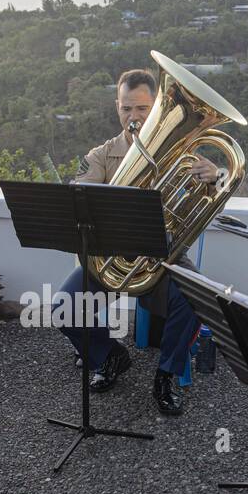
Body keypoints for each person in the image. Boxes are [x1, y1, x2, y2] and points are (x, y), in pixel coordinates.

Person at [57, 68, 217, 415]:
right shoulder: (100, 155)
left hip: (159, 258)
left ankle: (167, 375)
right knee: (63, 307)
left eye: (142, 109)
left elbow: (193, 210)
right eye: (127, 108)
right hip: (111, 260)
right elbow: (79, 199)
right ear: (117, 108)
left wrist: (210, 181)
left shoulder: (181, 153)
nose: (134, 117)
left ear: (156, 107)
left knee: (195, 298)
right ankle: (110, 356)